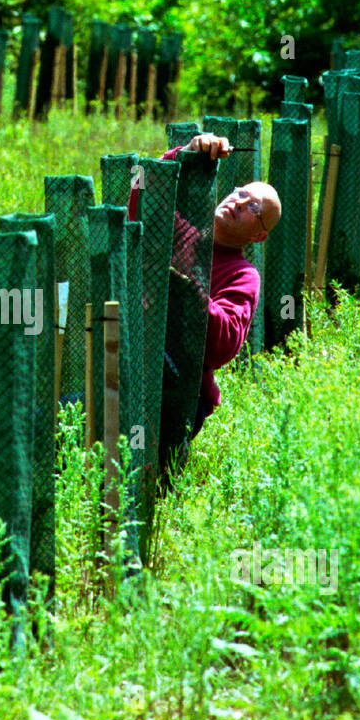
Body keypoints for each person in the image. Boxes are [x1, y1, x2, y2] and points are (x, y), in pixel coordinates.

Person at [127, 133, 282, 481]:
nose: (240, 202)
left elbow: (223, 345)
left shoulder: (244, 275)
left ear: (259, 236)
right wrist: (184, 154)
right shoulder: (180, 231)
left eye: (253, 208)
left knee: (144, 480)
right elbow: (140, 189)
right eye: (241, 193)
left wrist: (188, 284)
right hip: (130, 364)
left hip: (180, 392)